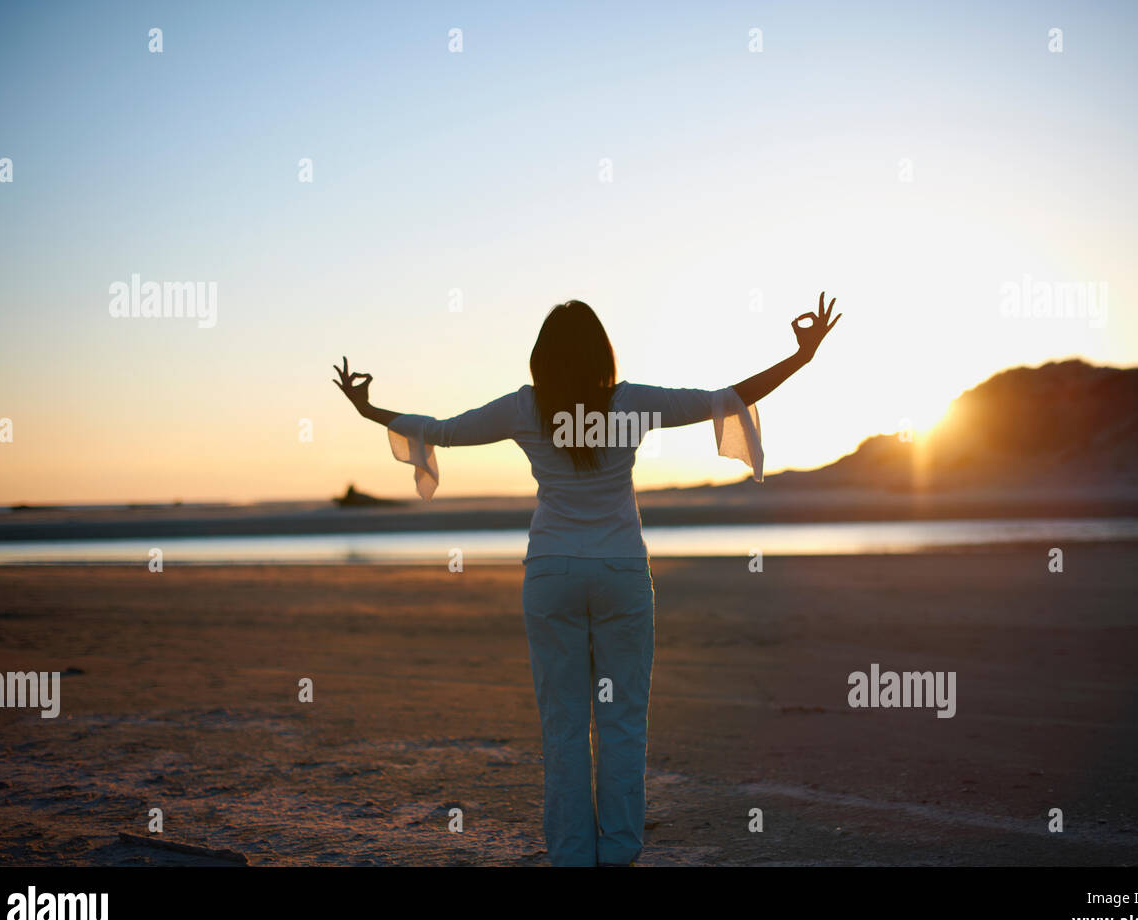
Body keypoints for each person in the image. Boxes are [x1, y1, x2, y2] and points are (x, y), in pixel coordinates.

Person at [333, 292, 842, 865]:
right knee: (623, 718)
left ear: (541, 358)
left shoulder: (522, 408)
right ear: (603, 353)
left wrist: (367, 409)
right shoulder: (631, 403)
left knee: (564, 722)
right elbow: (725, 399)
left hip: (551, 574)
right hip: (621, 571)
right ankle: (619, 849)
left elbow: (441, 431)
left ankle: (574, 855)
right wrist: (803, 356)